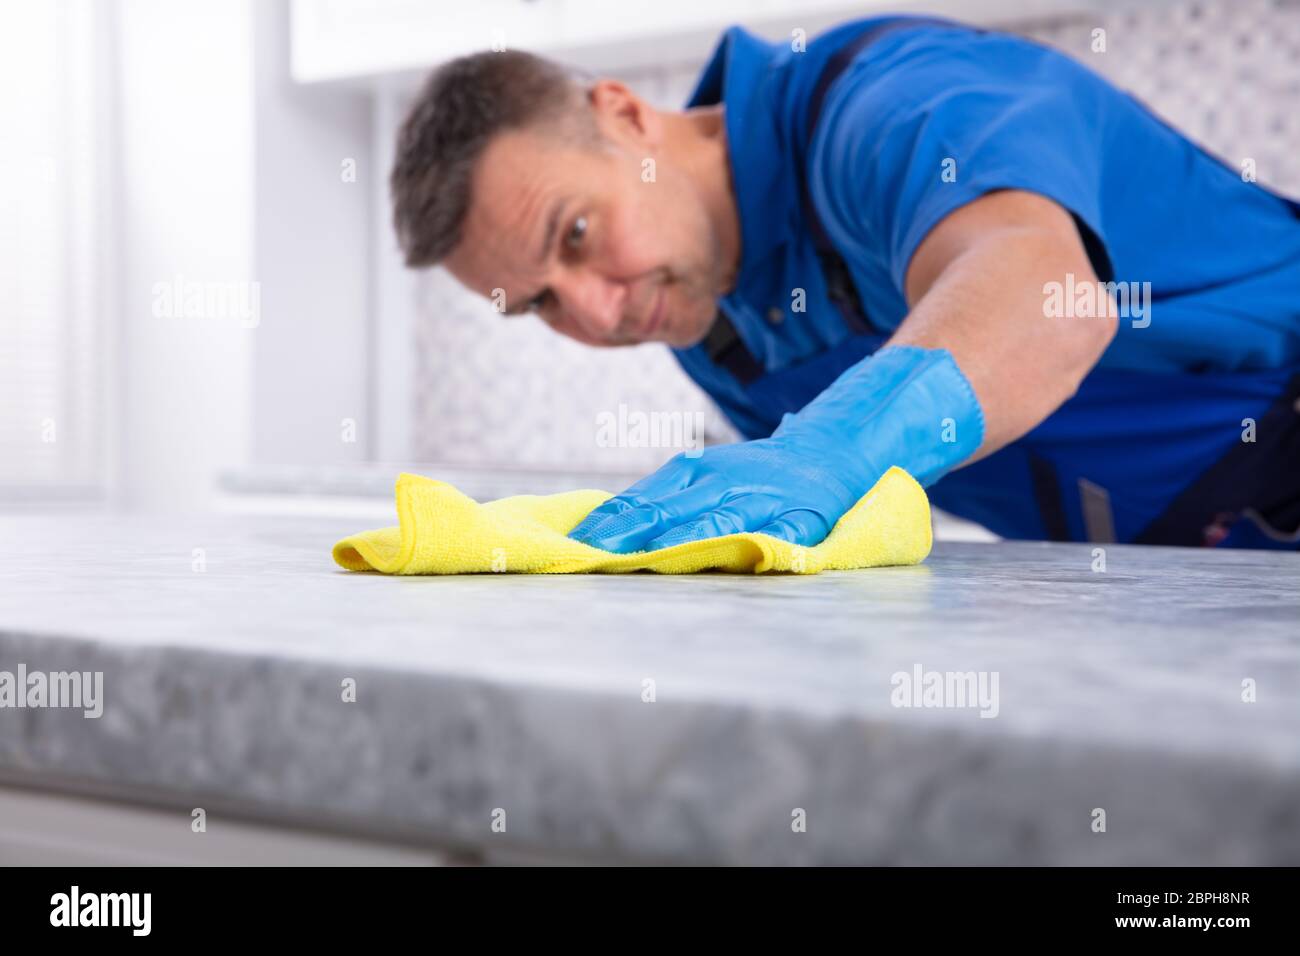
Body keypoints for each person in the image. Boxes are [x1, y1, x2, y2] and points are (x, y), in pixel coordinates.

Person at [389, 16, 1300, 552]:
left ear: (625, 116)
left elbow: (1044, 296)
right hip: (1186, 574)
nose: (595, 309)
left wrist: (829, 447)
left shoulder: (891, 103)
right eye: (539, 302)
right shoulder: (714, 335)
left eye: (576, 234)